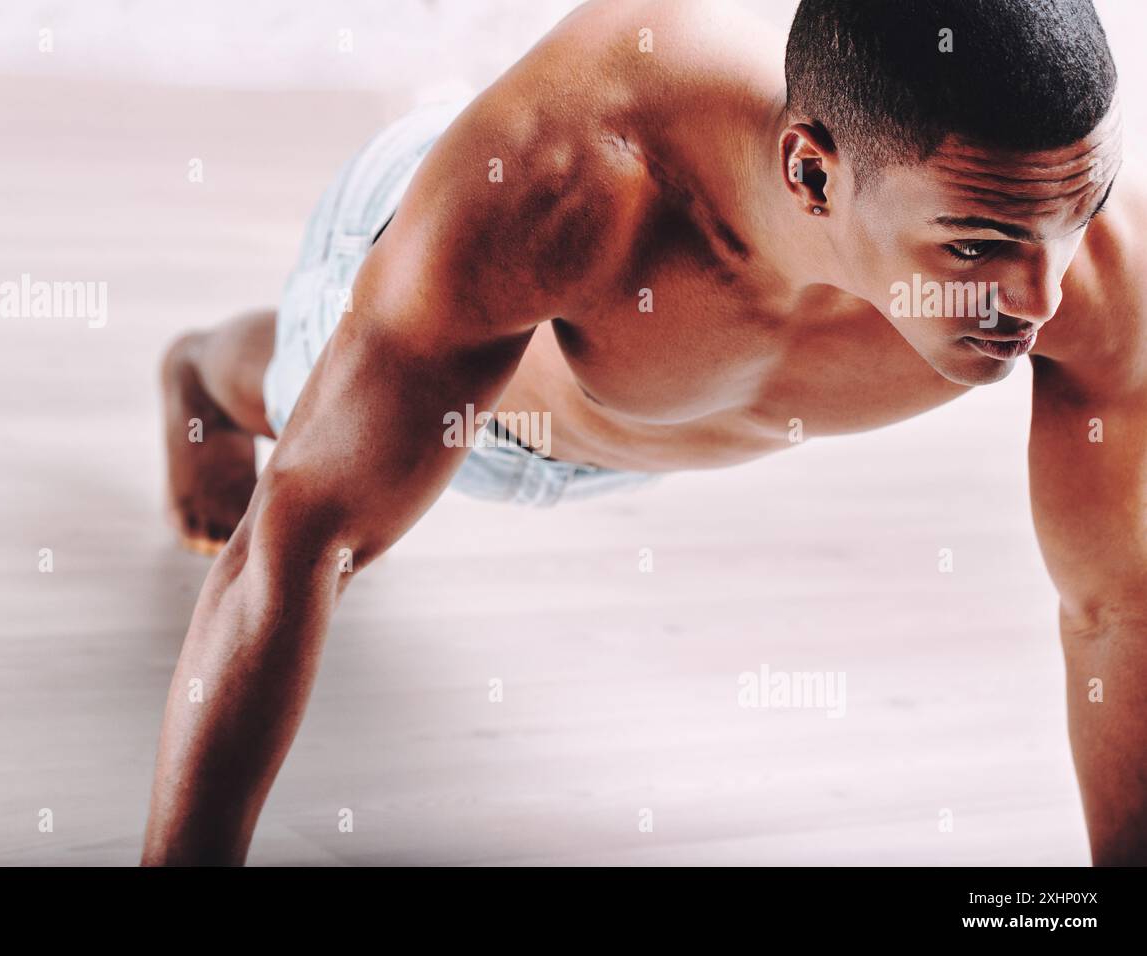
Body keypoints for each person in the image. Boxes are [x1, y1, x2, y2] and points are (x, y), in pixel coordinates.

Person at [143, 0, 1144, 865]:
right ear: (811, 174)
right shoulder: (568, 174)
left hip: (629, 432)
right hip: (473, 365)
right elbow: (305, 530)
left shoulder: (1075, 246)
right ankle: (199, 370)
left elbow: (1115, 607)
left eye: (1076, 215)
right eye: (977, 245)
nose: (1042, 296)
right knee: (290, 397)